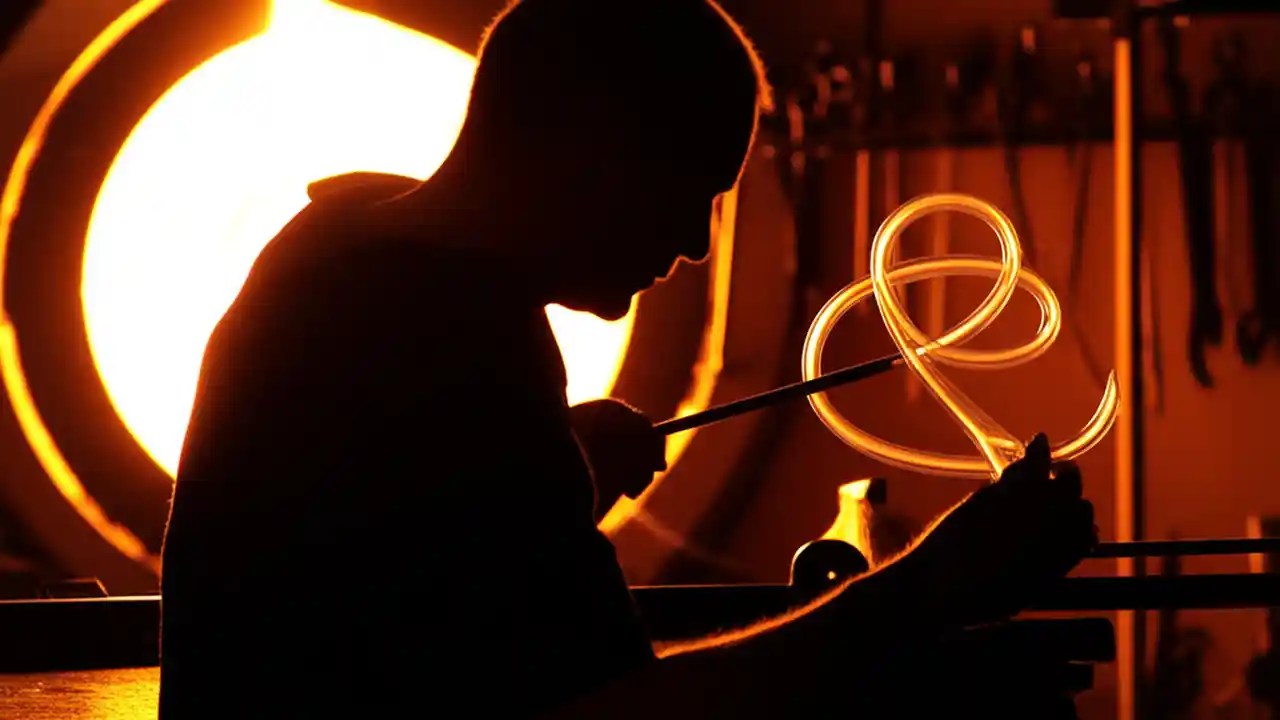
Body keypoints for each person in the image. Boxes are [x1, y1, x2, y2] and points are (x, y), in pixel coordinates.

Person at [158, 1, 1097, 717]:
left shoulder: (335, 240)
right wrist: (918, 595)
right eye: (693, 191)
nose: (695, 244)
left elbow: (401, 559)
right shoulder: (451, 342)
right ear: (592, 151)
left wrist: (547, 476)